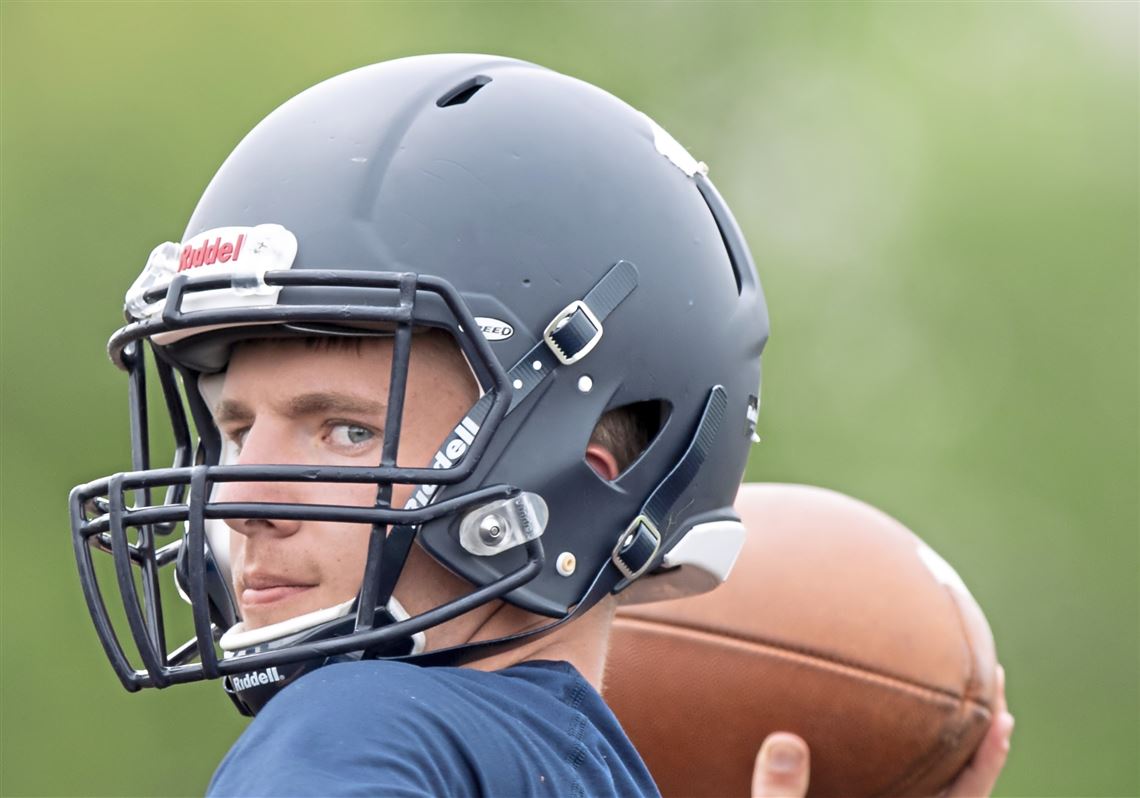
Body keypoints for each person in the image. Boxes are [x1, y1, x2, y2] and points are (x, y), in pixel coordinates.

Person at [69, 54, 1010, 796]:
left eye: (344, 431)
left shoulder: (356, 723)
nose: (239, 500)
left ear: (576, 481)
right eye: (236, 430)